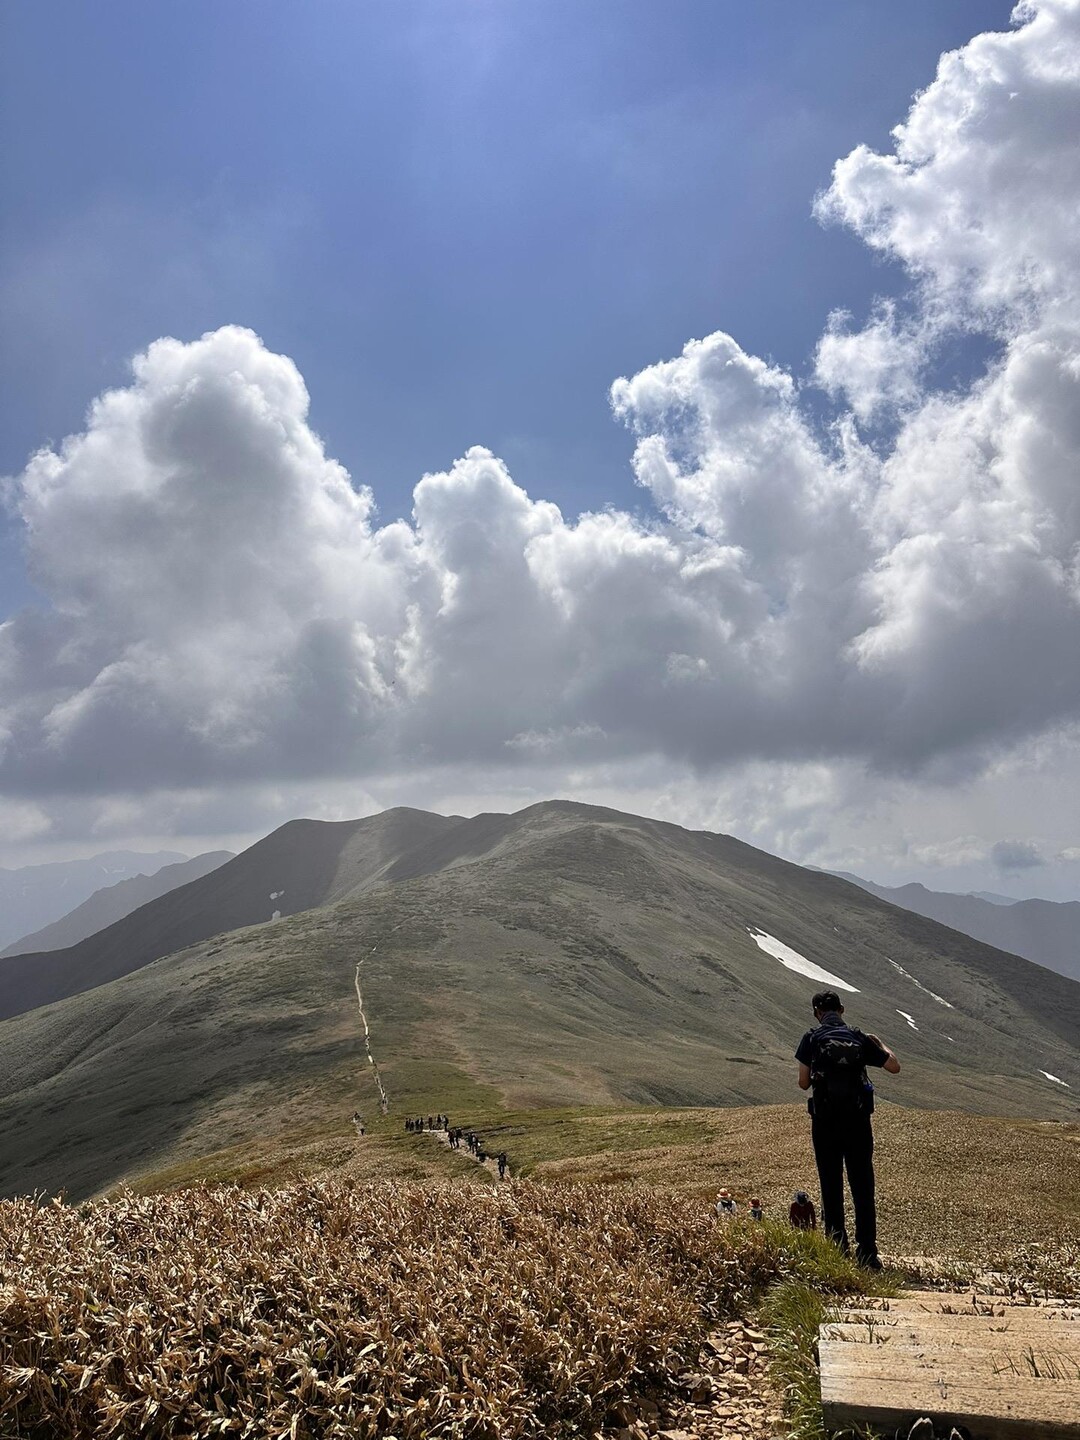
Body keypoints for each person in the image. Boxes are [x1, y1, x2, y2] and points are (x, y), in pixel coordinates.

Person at [795, 990, 900, 1269]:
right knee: (863, 1187)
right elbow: (894, 1066)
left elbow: (803, 1083)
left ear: (817, 1012)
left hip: (825, 1122)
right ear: (842, 1009)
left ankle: (837, 1250)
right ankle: (867, 1253)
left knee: (831, 1186)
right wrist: (880, 1043)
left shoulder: (811, 1038)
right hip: (858, 1123)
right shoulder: (858, 1036)